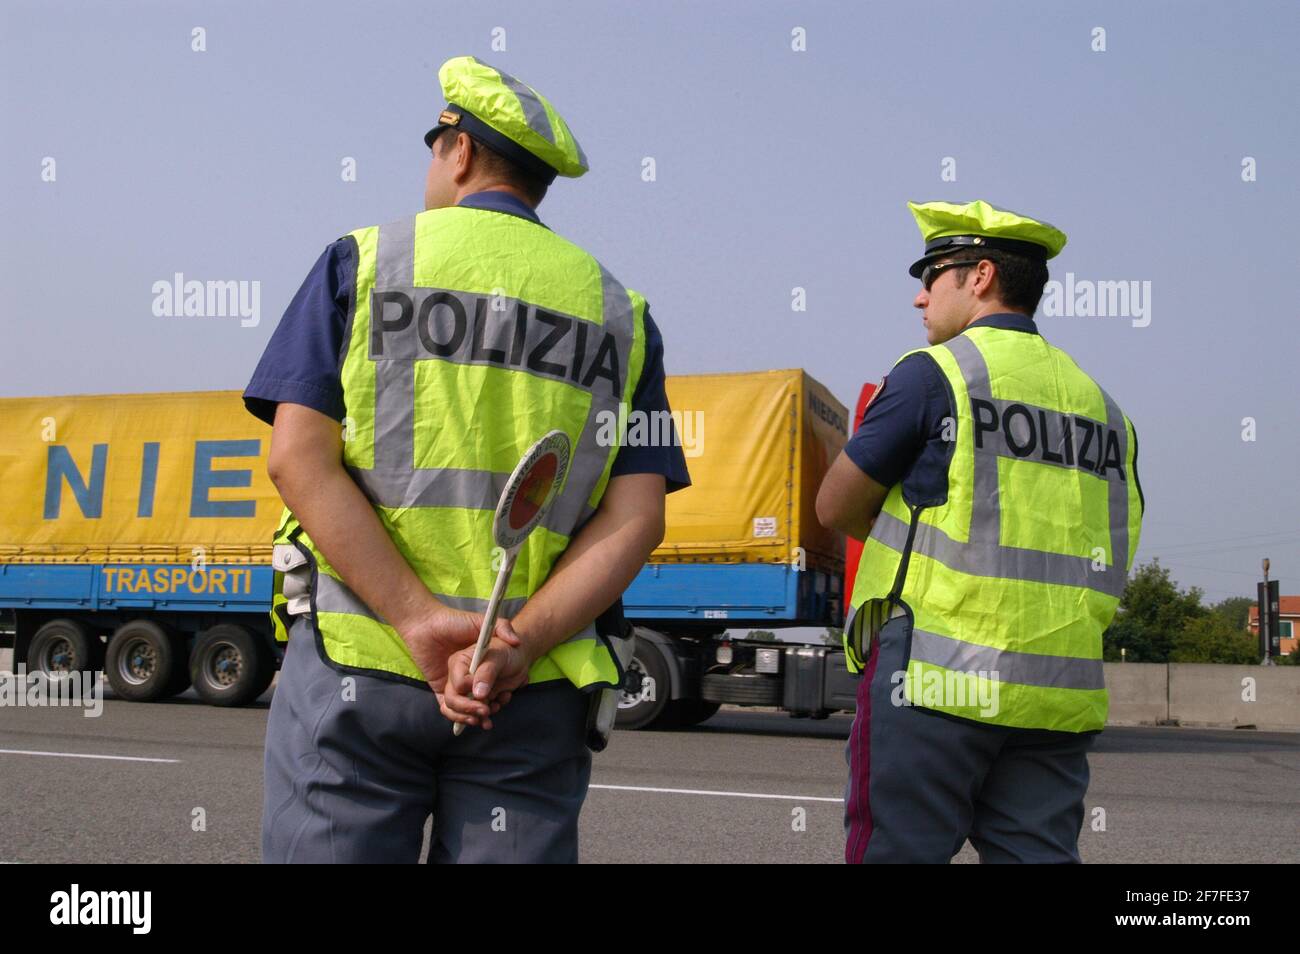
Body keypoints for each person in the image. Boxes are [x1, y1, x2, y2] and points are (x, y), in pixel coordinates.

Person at [244, 55, 690, 863]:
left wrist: (415, 618)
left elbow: (296, 460)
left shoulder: (363, 260)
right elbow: (639, 517)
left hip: (362, 661)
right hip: (530, 687)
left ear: (457, 150)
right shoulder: (623, 315)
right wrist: (519, 639)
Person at [816, 199, 1144, 864]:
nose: (918, 297)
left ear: (980, 276)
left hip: (938, 677)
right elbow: (1116, 543)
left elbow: (834, 505)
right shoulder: (1104, 408)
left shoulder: (937, 375)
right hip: (1054, 690)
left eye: (931, 274)